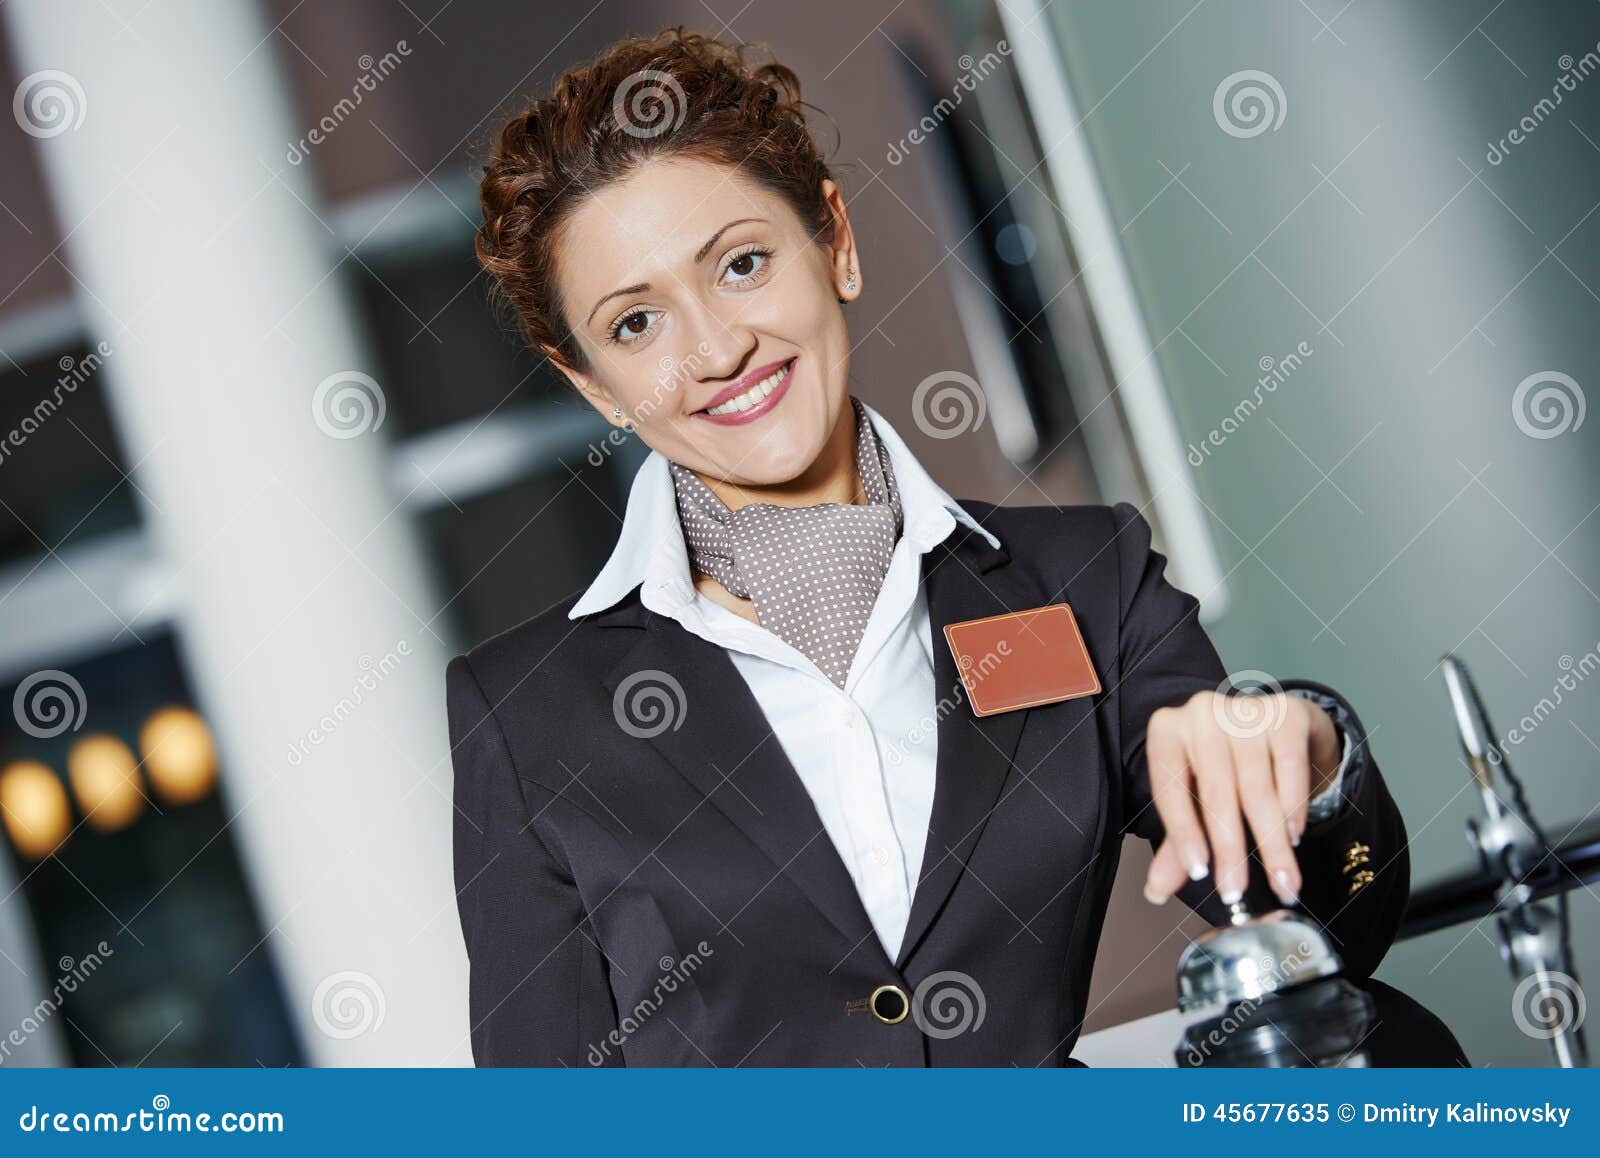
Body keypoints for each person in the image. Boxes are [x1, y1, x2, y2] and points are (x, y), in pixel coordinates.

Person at [447, 27, 1409, 1066]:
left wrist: (1305, 761)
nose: (716, 349)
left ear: (835, 243)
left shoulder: (1082, 584)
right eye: (635, 324)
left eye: (740, 264)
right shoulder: (527, 713)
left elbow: (1330, 934)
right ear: (593, 383)